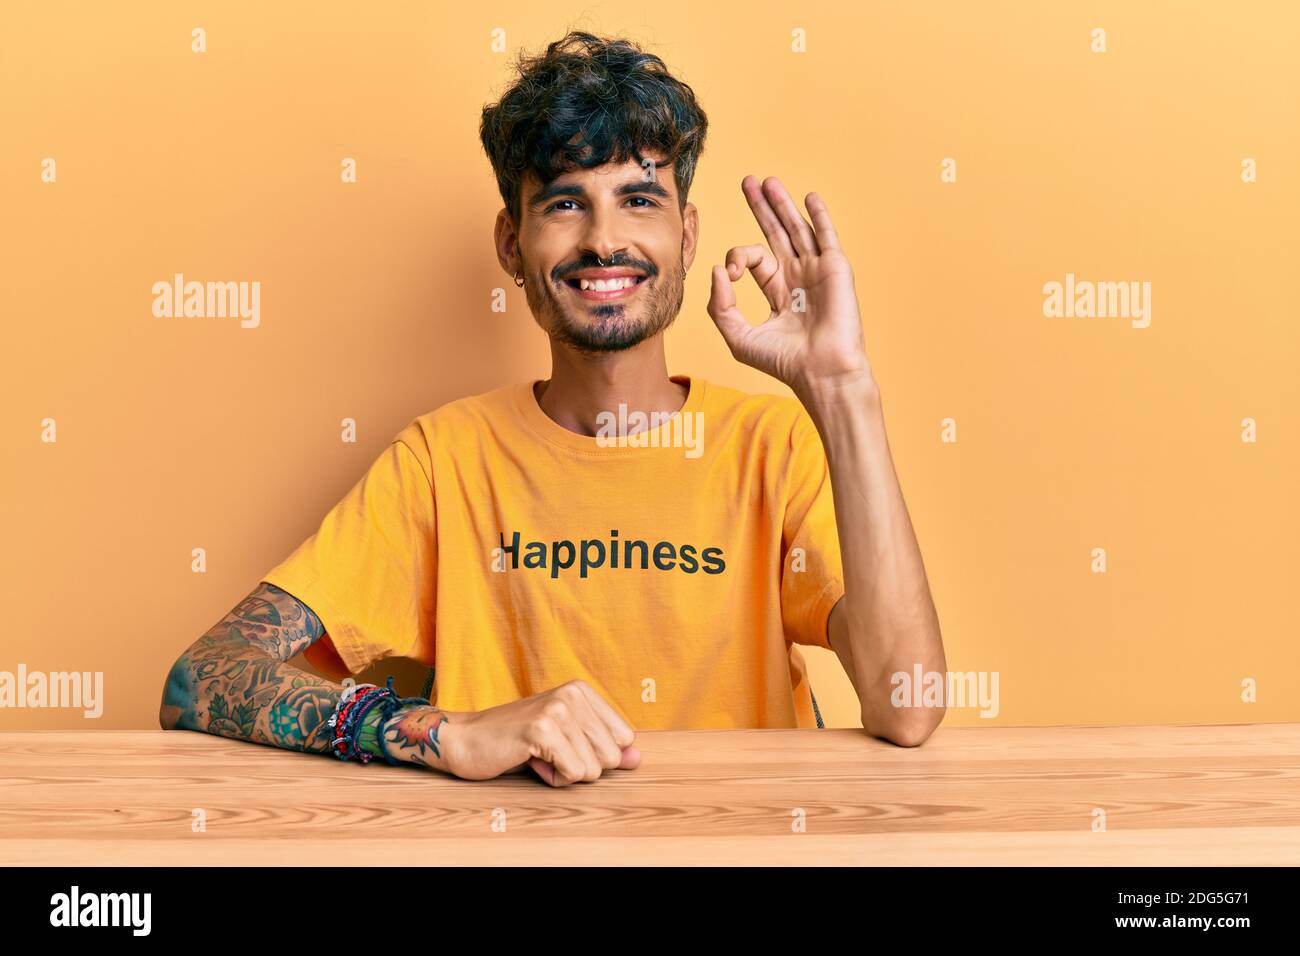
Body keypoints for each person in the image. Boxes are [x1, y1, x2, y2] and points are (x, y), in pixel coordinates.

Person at [159, 30, 947, 787]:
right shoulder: (444, 460)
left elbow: (907, 709)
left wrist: (842, 389)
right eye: (566, 204)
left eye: (640, 199)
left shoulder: (772, 446)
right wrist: (445, 730)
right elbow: (202, 679)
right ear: (511, 243)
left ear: (688, 232)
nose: (604, 241)